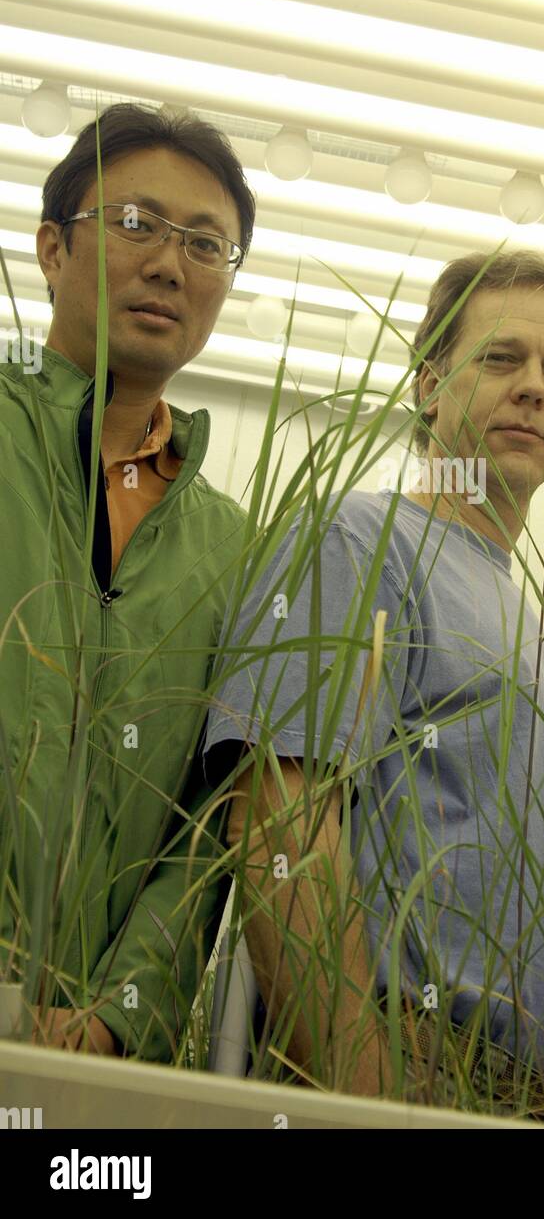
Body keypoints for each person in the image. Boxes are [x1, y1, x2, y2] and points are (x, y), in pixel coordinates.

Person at [203, 250, 544, 1117]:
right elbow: (281, 820)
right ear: (428, 385)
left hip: (543, 1099)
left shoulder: (530, 619)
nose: (535, 387)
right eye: (501, 359)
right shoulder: (359, 541)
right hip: (416, 1079)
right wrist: (365, 1094)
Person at [0, 102, 254, 1060]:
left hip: (89, 1058)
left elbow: (210, 821)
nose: (170, 263)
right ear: (53, 249)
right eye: (136, 223)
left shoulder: (234, 547)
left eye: (207, 245)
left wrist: (119, 1016)